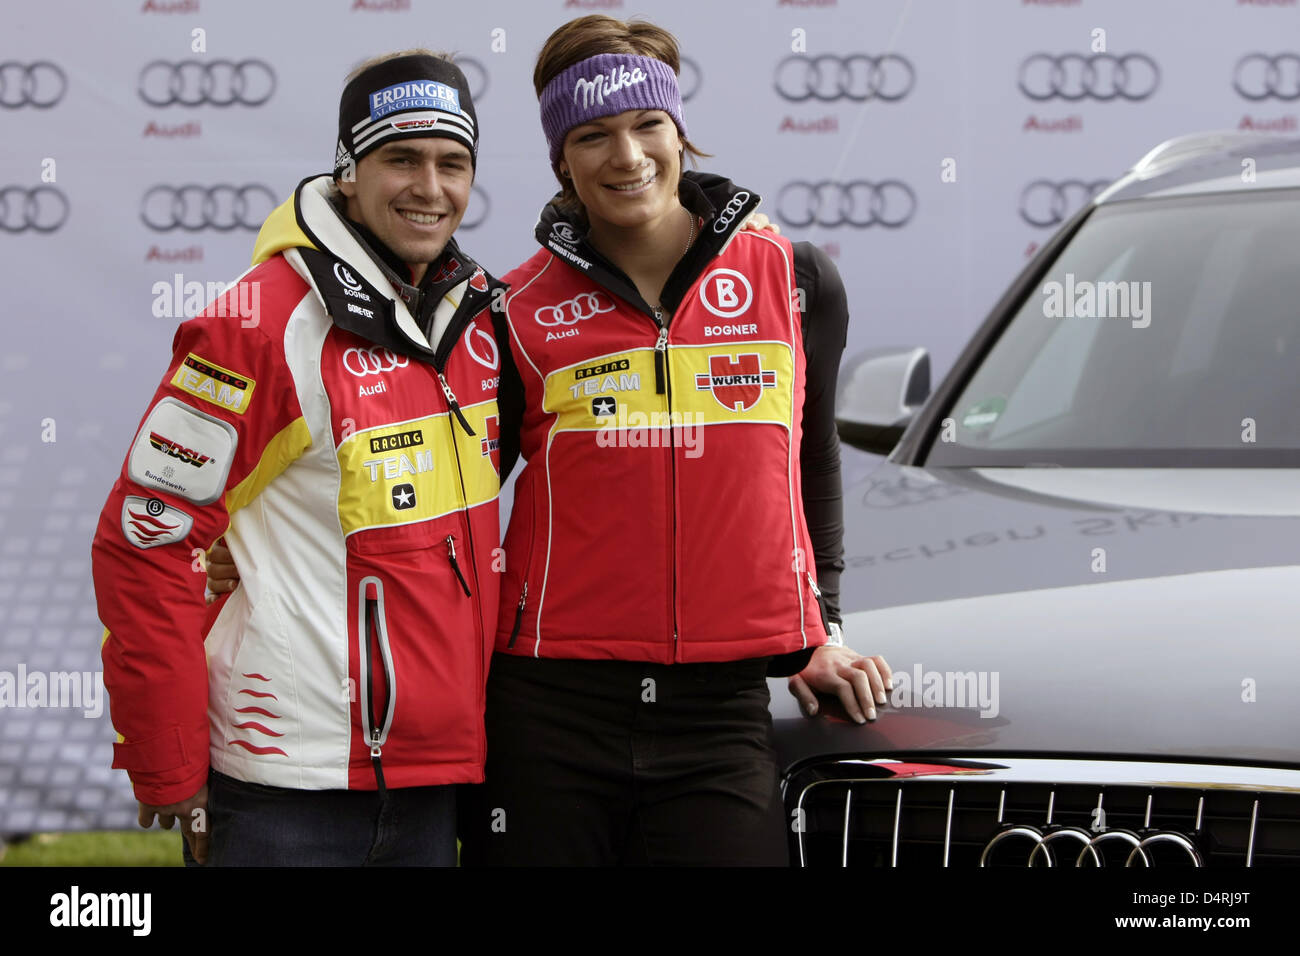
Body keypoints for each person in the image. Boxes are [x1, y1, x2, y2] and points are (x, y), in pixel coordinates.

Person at [456, 15, 891, 866]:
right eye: (592, 135)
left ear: (679, 131)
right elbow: (455, 500)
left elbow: (809, 462)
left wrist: (821, 629)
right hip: (547, 703)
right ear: (561, 159)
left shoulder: (795, 277)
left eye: (647, 124)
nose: (627, 156)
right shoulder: (513, 309)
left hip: (719, 708)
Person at [90, 51, 506, 866]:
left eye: (452, 163)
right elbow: (145, 539)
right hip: (284, 785)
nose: (430, 187)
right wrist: (166, 758)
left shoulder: (478, 316)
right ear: (348, 172)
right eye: (401, 159)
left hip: (434, 779)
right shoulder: (260, 321)